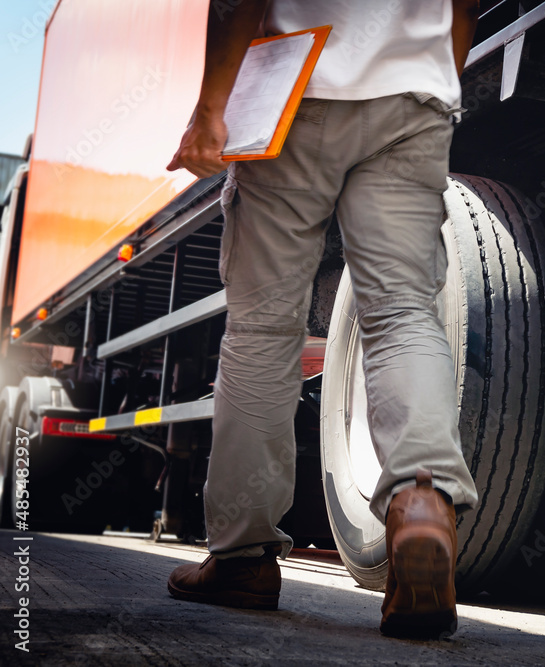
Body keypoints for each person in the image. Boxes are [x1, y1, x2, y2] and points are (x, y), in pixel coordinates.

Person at [164, 0, 481, 638]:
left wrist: (211, 108)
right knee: (402, 313)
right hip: (413, 98)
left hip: (299, 89)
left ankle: (242, 559)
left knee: (262, 330)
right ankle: (421, 504)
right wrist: (433, 83)